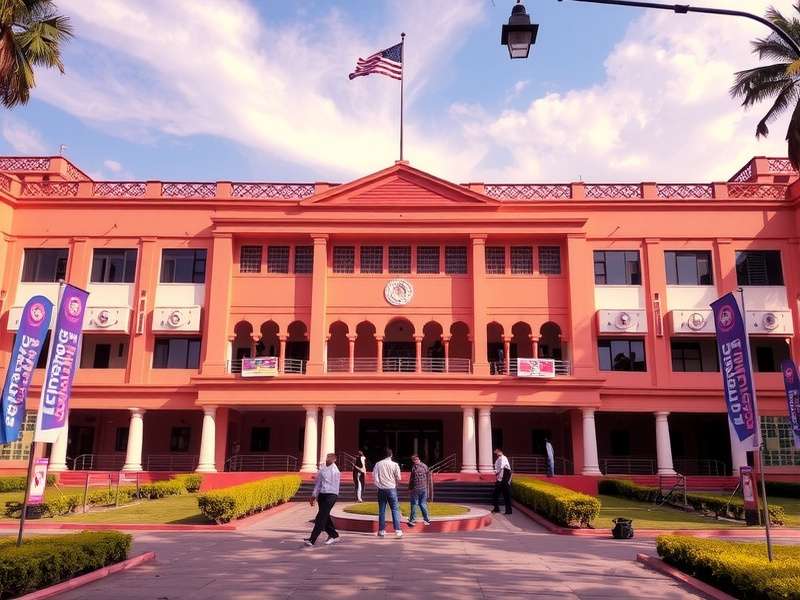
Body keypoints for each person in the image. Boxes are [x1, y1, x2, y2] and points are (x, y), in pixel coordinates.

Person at [304, 452, 341, 547]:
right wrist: (313, 496)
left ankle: (312, 539)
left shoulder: (335, 471)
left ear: (334, 460)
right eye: (328, 457)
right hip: (322, 495)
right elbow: (318, 483)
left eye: (331, 458)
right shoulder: (322, 468)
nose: (329, 459)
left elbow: (335, 486)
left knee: (320, 517)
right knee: (325, 516)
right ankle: (334, 535)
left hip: (331, 495)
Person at [373, 447, 403, 538]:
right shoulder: (395, 465)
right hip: (391, 488)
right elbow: (399, 478)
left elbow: (375, 478)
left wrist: (379, 485)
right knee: (395, 509)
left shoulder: (378, 464)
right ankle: (398, 530)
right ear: (391, 455)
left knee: (382, 510)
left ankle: (381, 530)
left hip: (381, 489)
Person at [408, 454, 432, 527]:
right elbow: (428, 477)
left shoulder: (414, 468)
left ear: (416, 459)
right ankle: (427, 519)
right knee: (423, 504)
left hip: (416, 488)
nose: (414, 462)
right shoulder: (425, 466)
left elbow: (412, 479)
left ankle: (412, 520)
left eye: (414, 460)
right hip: (424, 488)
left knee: (414, 504)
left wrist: (410, 488)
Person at [492, 447, 512, 515]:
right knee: (495, 494)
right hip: (500, 479)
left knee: (506, 495)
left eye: (497, 451)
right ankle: (496, 508)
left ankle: (508, 510)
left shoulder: (504, 458)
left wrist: (497, 472)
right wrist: (497, 477)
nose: (496, 453)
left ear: (500, 452)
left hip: (505, 478)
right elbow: (497, 469)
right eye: (496, 452)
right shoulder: (497, 460)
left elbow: (502, 467)